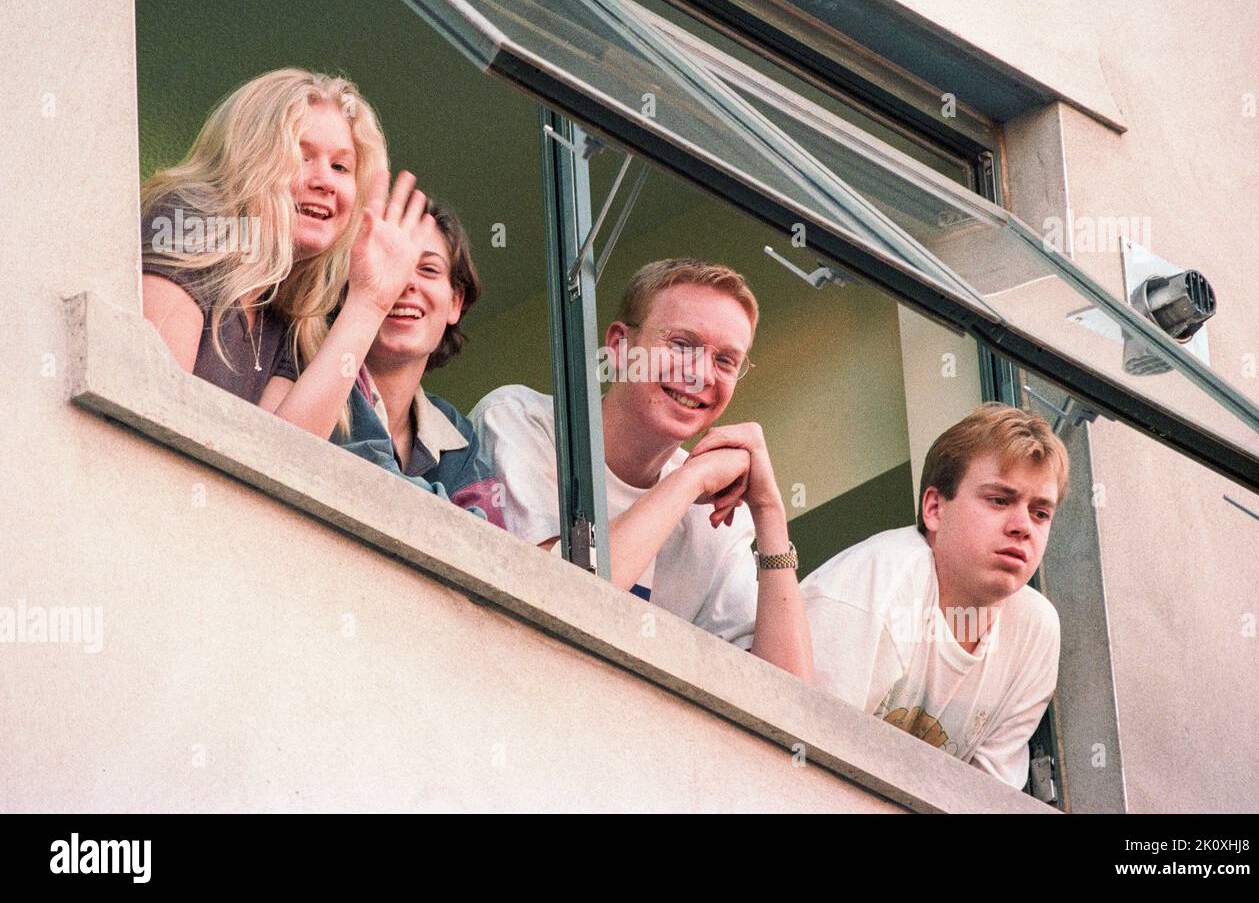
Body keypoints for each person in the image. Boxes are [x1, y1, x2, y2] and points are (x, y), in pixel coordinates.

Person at [471, 259, 812, 679]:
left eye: (726, 361)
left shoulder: (717, 519)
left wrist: (770, 514)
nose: (701, 373)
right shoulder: (520, 420)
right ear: (619, 346)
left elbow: (790, 702)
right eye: (682, 344)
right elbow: (559, 600)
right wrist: (687, 480)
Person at [141, 68, 430, 437]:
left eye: (341, 167)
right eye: (301, 155)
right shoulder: (185, 223)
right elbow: (155, 418)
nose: (325, 181)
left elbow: (282, 458)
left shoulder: (290, 314)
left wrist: (370, 302)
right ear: (248, 161)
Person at [800, 403, 1067, 788]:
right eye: (999, 500)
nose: (1023, 526)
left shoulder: (1035, 630)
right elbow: (803, 763)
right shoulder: (875, 584)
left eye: (1041, 513)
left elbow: (986, 798)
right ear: (934, 509)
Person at [335, 200, 504, 527]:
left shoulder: (458, 434)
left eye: (428, 269)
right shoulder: (326, 383)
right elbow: (375, 490)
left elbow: (491, 544)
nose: (406, 282)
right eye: (388, 260)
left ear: (455, 303)